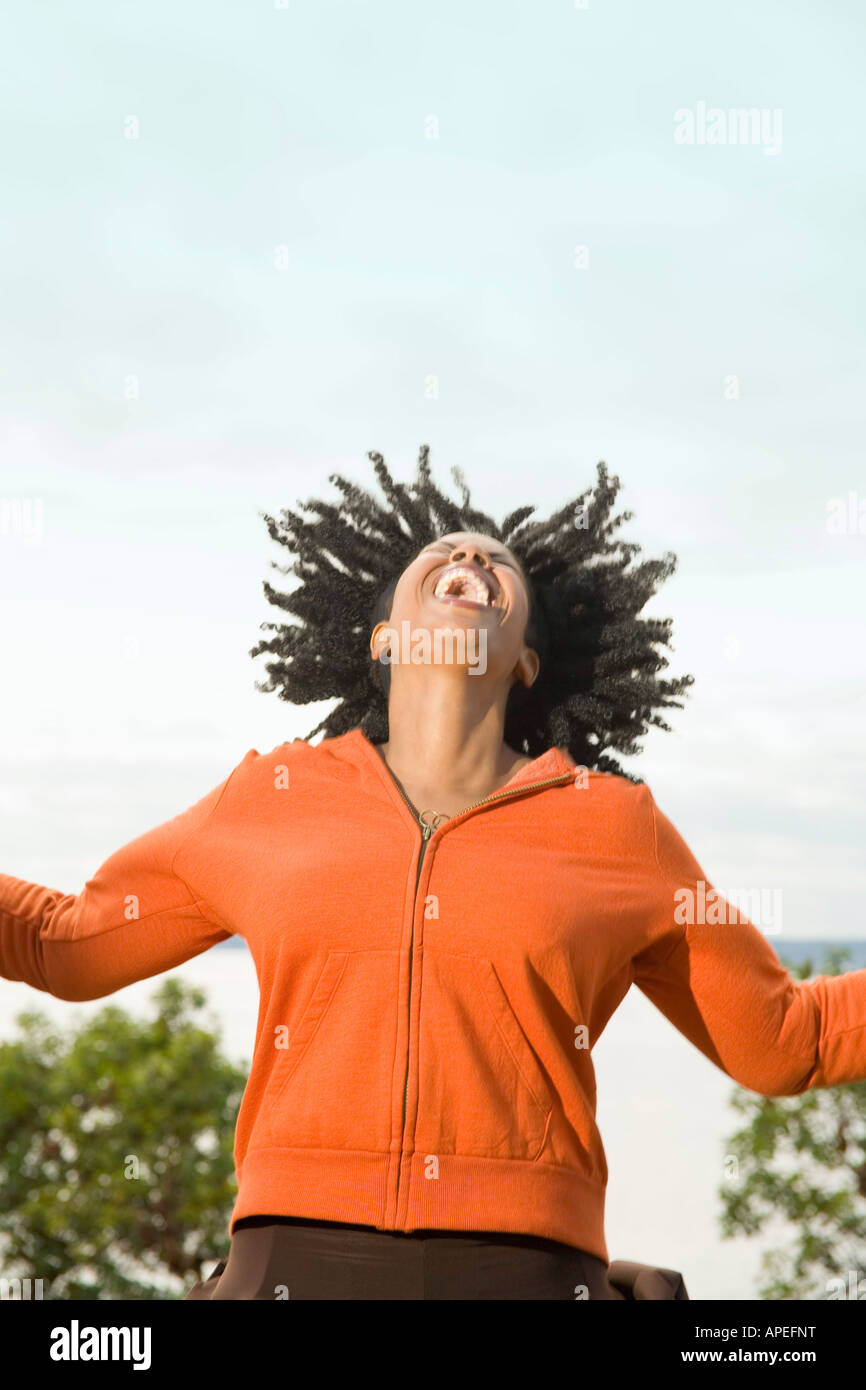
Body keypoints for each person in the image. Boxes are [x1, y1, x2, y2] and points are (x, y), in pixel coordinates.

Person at [2, 446, 863, 1300]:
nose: (471, 557)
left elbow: (788, 1040)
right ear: (384, 637)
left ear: (526, 660)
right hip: (292, 1267)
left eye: (498, 561)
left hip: (528, 1272)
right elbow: (62, 943)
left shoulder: (616, 825)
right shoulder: (272, 795)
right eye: (442, 553)